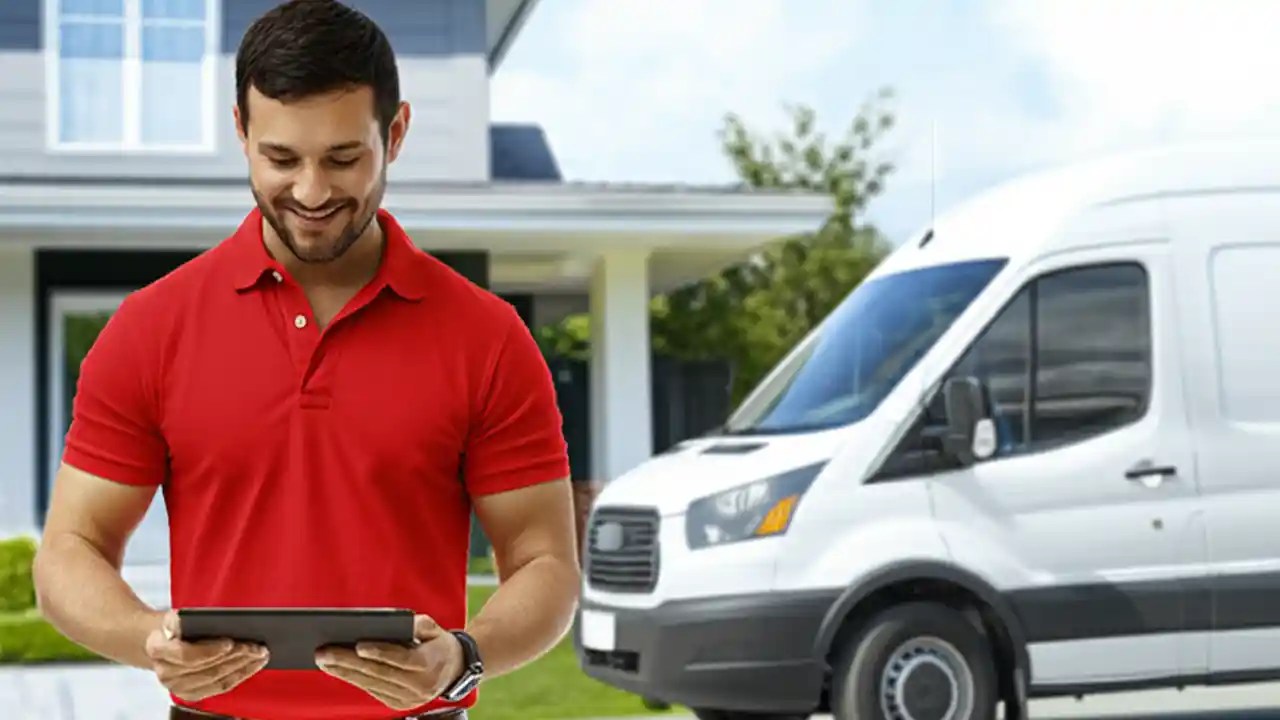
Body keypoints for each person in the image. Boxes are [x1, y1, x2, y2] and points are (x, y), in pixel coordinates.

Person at [31, 1, 581, 718]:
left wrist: (461, 656)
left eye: (344, 158)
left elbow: (545, 563)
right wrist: (146, 637)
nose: (312, 192)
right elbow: (71, 549)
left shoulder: (488, 338)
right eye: (282, 159)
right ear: (241, 131)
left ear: (396, 133)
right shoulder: (150, 330)